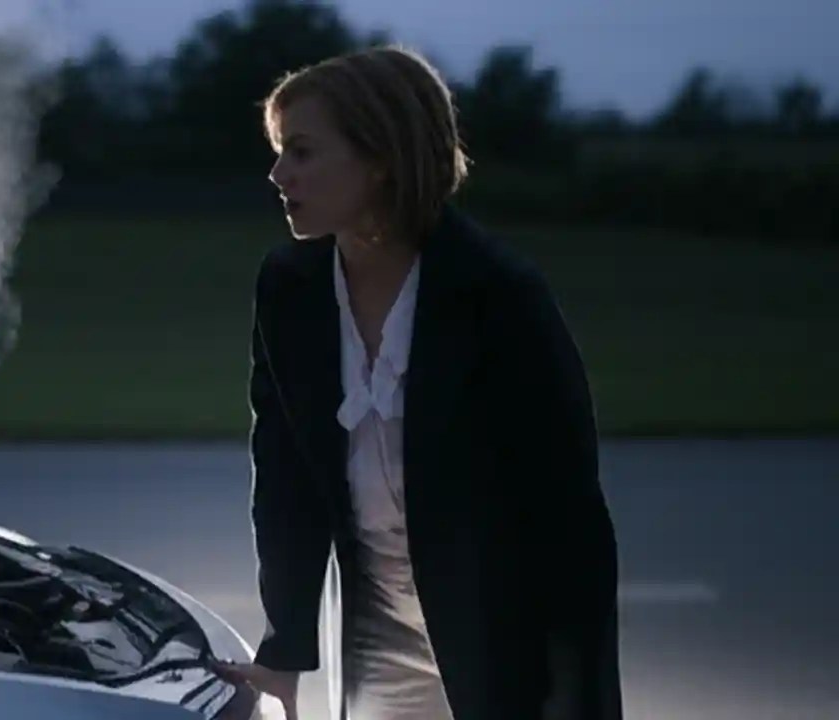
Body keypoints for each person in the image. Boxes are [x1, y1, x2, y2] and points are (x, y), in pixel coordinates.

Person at [211, 46, 623, 720]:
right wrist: (285, 644)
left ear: (379, 159)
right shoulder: (291, 287)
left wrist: (574, 695)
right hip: (379, 637)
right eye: (281, 151)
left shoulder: (496, 294)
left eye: (303, 152)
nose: (277, 172)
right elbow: (283, 472)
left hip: (500, 639)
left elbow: (568, 518)